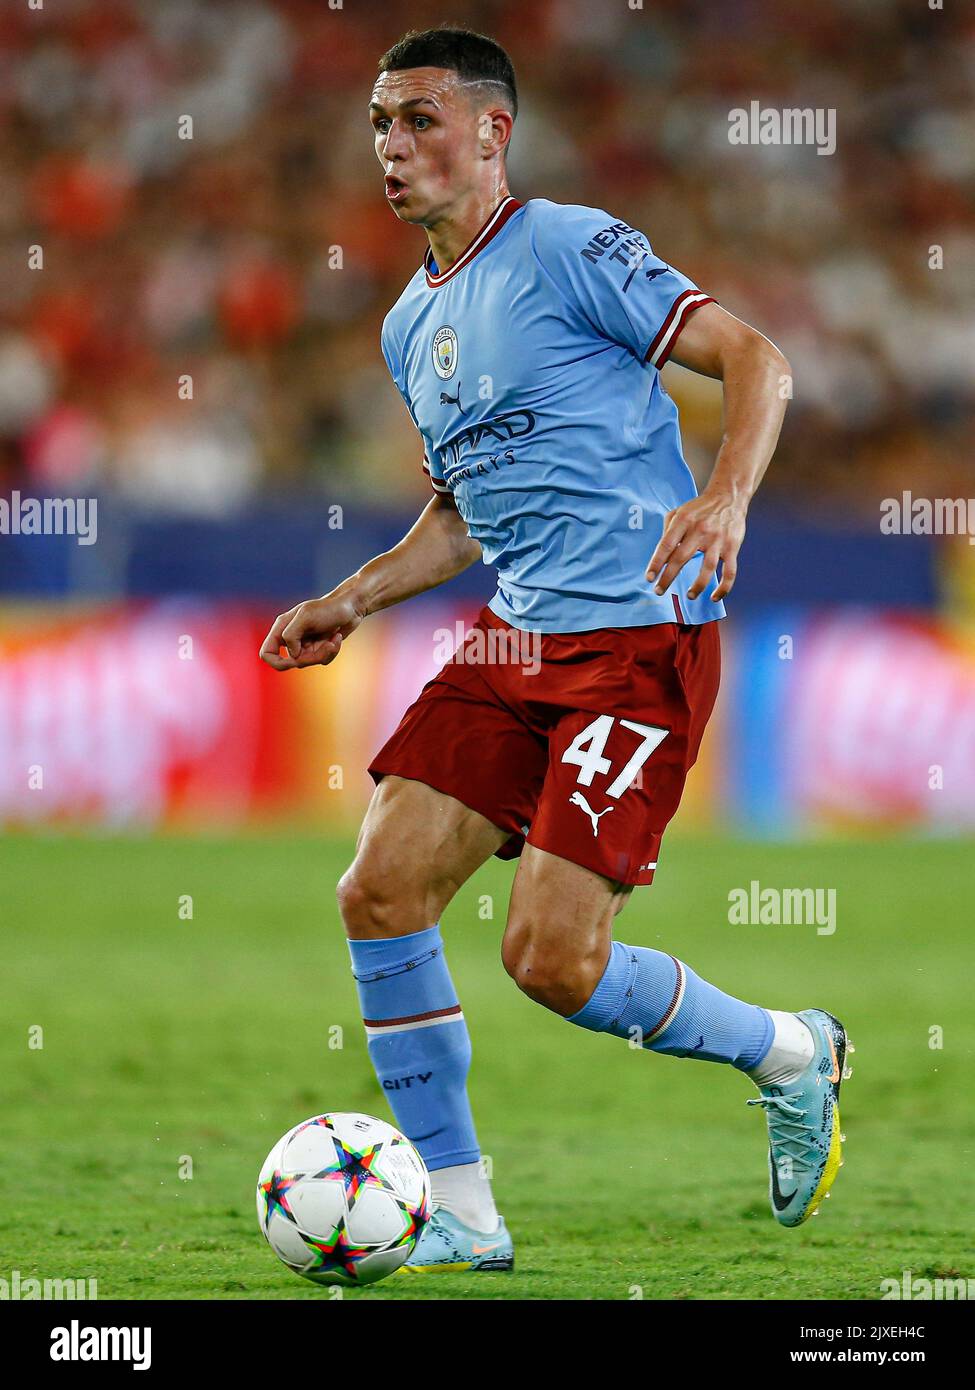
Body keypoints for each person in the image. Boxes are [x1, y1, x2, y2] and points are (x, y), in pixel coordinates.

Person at [260, 25, 851, 1274]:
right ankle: (463, 1214)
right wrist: (352, 597)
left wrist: (729, 495)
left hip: (639, 638)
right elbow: (465, 510)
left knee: (552, 962)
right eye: (378, 121)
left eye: (420, 117)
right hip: (516, 640)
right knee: (377, 888)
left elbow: (759, 360)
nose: (393, 144)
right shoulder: (404, 324)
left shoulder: (570, 247)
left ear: (491, 130)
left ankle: (792, 1048)